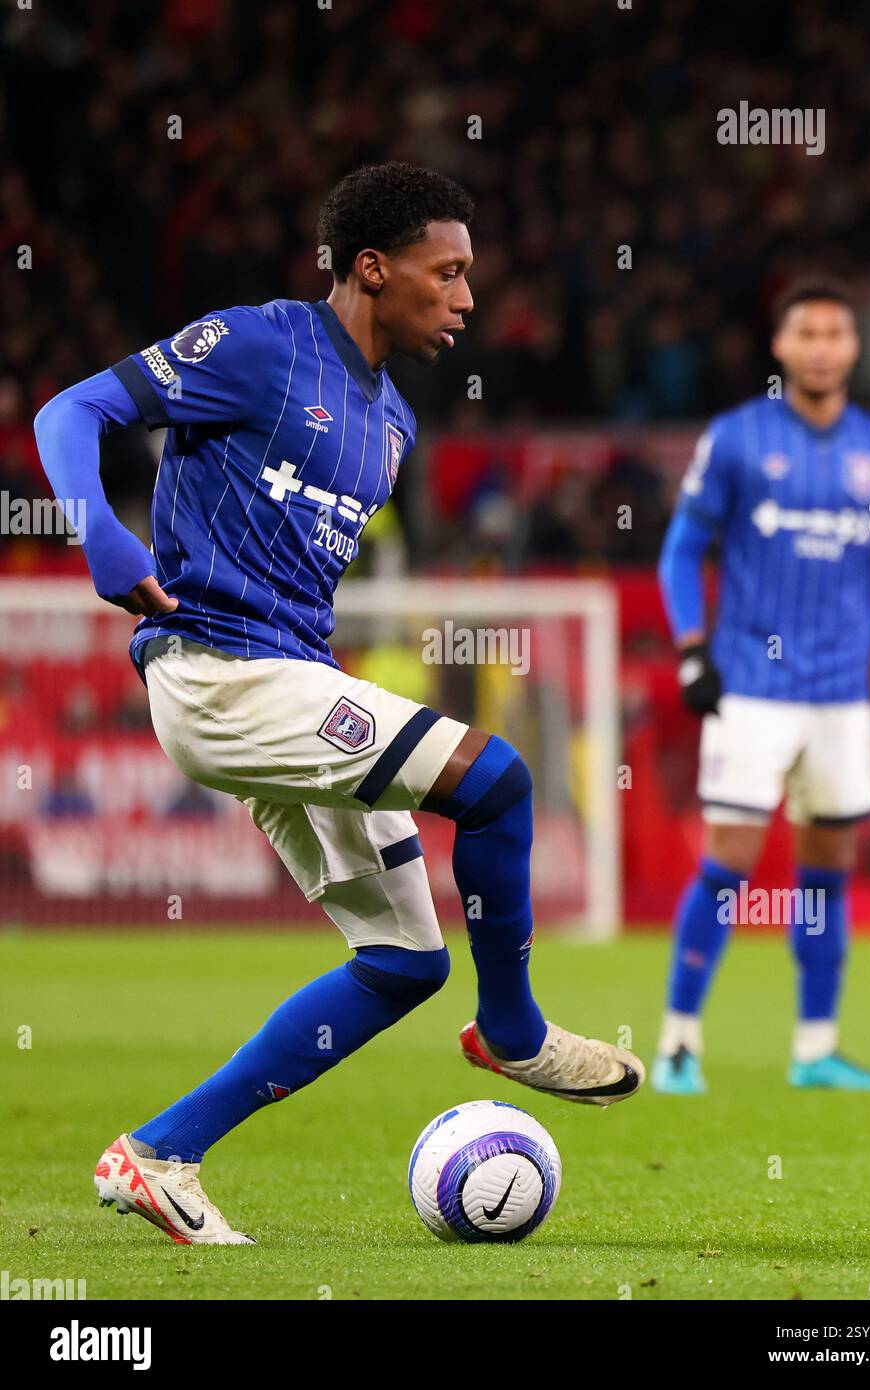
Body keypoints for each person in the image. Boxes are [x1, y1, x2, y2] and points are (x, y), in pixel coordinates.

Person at [34, 162, 643, 1246]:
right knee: (496, 782)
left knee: (404, 961)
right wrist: (99, 531)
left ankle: (160, 1150)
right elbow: (70, 409)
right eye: (445, 273)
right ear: (373, 266)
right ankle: (512, 1030)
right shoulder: (262, 344)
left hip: (290, 679)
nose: (465, 299)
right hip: (217, 671)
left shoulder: (393, 423)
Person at [653, 278, 870, 1096]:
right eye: (807, 333)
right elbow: (678, 550)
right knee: (727, 864)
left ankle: (814, 1048)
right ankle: (678, 1045)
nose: (823, 347)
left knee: (827, 872)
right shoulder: (735, 438)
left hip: (840, 697)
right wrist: (693, 652)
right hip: (752, 690)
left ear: (853, 347)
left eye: (837, 333)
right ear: (781, 346)